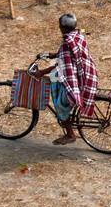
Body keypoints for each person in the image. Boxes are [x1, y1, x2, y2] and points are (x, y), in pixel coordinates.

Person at [32, 13, 98, 145]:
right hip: (87, 72)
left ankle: (70, 134)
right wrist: (49, 55)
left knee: (61, 103)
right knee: (54, 77)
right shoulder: (78, 36)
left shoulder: (66, 43)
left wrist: (41, 73)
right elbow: (67, 56)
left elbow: (61, 66)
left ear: (62, 28)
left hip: (76, 78)